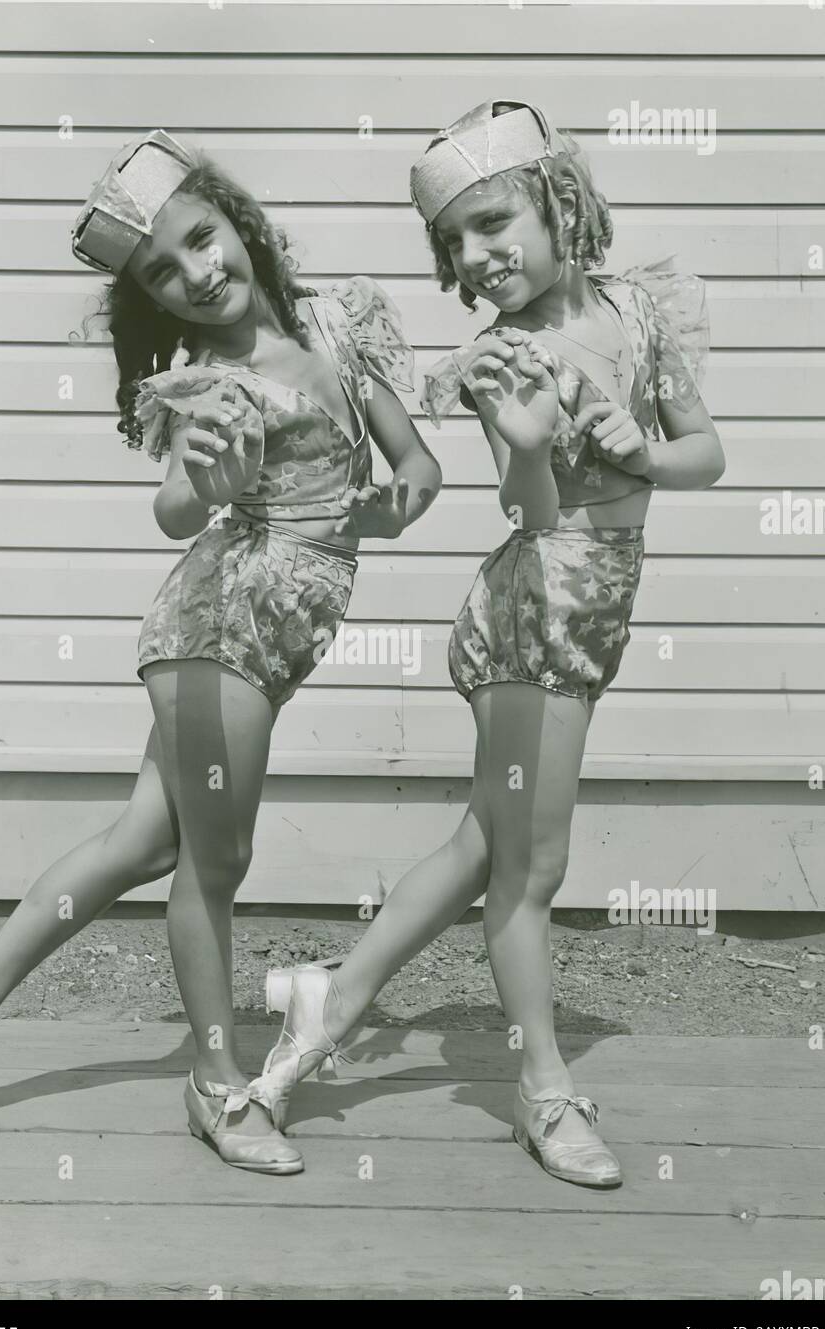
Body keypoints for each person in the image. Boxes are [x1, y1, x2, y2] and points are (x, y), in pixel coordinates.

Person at [0, 130, 442, 1176]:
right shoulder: (204, 384)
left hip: (279, 633)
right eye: (164, 274)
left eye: (200, 238)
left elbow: (412, 471)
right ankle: (216, 1083)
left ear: (236, 217)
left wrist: (399, 496)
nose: (197, 273)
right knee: (215, 862)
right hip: (216, 628)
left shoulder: (341, 324)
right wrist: (214, 485)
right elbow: (174, 505)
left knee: (143, 842)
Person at [258, 100, 724, 1189]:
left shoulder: (640, 313)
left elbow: (706, 452)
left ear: (560, 200)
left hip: (603, 606)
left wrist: (644, 452)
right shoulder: (502, 359)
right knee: (532, 865)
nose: (477, 255)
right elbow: (527, 506)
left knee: (485, 838)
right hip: (538, 608)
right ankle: (541, 1087)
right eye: (455, 241)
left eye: (493, 221)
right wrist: (530, 448)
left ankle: (334, 993)